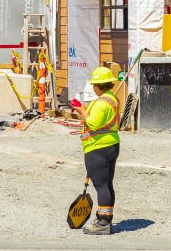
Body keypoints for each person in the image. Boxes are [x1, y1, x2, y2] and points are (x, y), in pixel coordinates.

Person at [73, 66, 121, 235]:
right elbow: (102, 123)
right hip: (111, 145)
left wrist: (82, 111)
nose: (93, 87)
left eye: (94, 84)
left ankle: (103, 223)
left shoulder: (101, 103)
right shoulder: (112, 99)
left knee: (101, 186)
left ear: (98, 85)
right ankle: (106, 217)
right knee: (107, 184)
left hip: (97, 147)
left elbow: (93, 123)